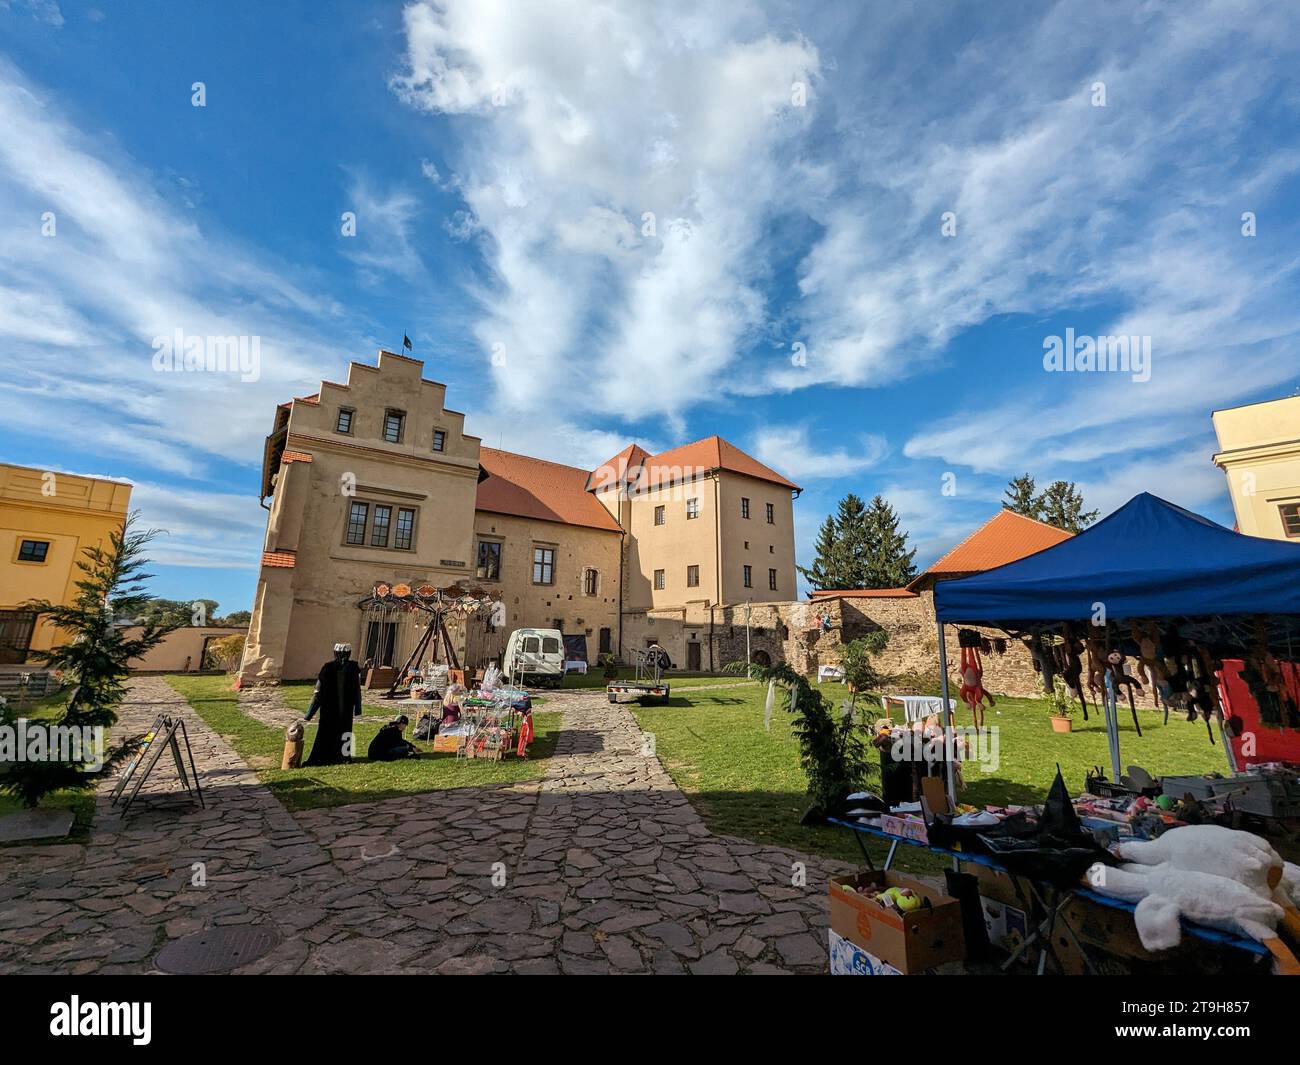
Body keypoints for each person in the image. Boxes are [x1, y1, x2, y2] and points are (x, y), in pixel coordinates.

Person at [304, 643, 363, 766]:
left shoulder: (347, 668)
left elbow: (317, 692)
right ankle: (343, 757)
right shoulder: (333, 668)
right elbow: (357, 690)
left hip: (335, 708)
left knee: (332, 732)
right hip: (338, 707)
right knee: (341, 731)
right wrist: (357, 708)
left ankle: (338, 756)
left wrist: (309, 713)